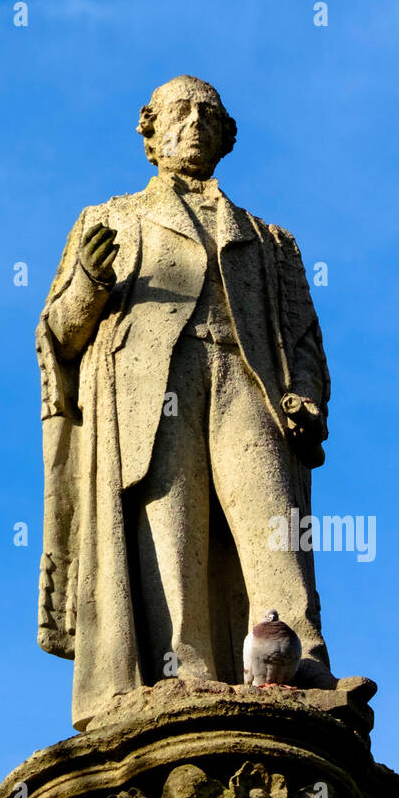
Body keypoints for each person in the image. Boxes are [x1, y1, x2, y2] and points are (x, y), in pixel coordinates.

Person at [36, 75, 333, 729]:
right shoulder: (108, 219)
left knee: (272, 522)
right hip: (153, 386)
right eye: (180, 111)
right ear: (150, 132)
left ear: (227, 135)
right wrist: (89, 280)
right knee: (169, 528)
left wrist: (306, 396)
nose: (195, 123)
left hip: (245, 381)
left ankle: (303, 663)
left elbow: (301, 336)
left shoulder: (271, 240)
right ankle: (182, 671)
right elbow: (56, 334)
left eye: (208, 113)